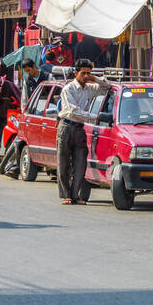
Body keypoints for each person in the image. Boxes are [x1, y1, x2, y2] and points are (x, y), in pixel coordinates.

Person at [56, 59, 108, 205]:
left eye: (88, 73)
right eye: (83, 73)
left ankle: (75, 195)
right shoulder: (68, 89)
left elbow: (106, 87)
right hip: (66, 127)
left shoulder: (90, 88)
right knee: (63, 163)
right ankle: (66, 195)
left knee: (80, 163)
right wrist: (94, 117)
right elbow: (73, 110)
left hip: (80, 129)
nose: (86, 76)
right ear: (75, 73)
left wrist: (95, 78)